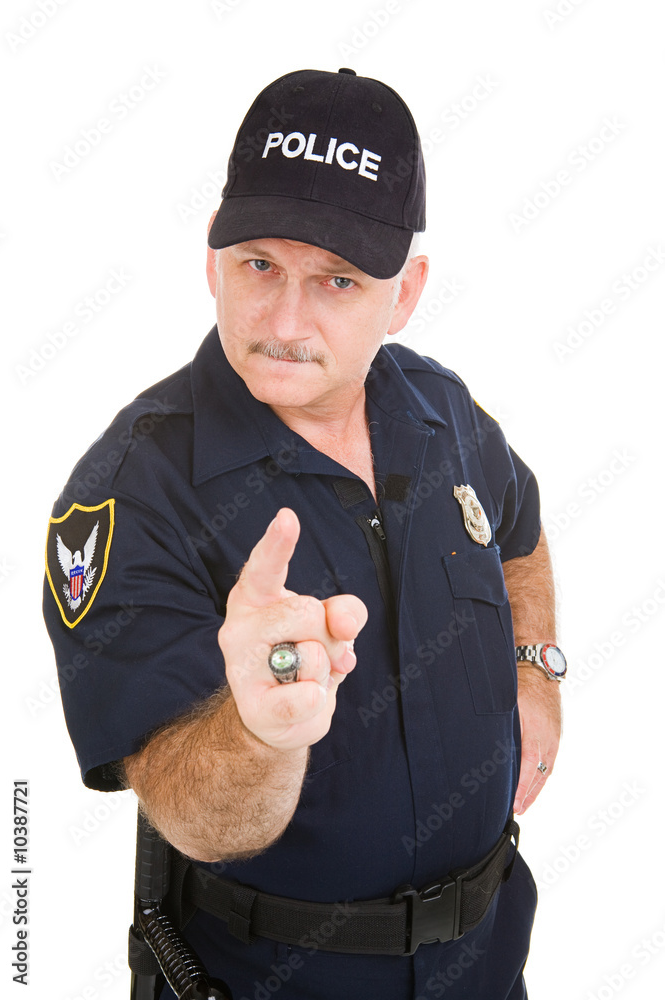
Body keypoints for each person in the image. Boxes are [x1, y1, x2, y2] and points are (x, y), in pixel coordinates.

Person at [43, 68, 564, 1000]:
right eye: (259, 266)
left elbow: (518, 526)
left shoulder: (441, 411)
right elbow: (187, 810)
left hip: (487, 962)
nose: (285, 321)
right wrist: (262, 731)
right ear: (212, 256)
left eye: (336, 280)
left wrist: (535, 667)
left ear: (403, 296)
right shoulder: (131, 491)